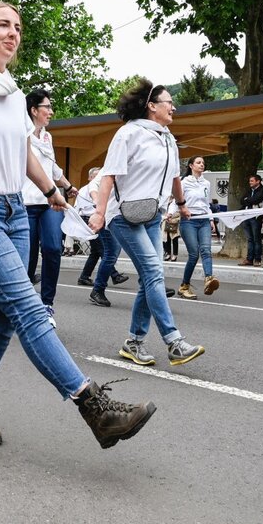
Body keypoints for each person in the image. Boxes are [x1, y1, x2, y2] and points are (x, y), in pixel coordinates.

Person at [0, 0, 155, 449]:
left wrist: (52, 189)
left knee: (1, 320)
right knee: (28, 307)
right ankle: (94, 407)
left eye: (18, 27)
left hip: (14, 211)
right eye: (3, 25)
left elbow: (22, 151)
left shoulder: (13, 92)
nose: (12, 33)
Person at [89, 79, 206, 367]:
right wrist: (99, 212)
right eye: (169, 102)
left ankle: (134, 342)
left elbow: (175, 177)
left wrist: (182, 205)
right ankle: (174, 342)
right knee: (153, 271)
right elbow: (109, 176)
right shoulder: (128, 134)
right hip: (123, 216)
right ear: (152, 106)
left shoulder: (167, 139)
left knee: (150, 276)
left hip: (153, 215)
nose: (173, 107)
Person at [22, 88, 77, 327]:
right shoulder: (20, 134)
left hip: (49, 203)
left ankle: (46, 304)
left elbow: (52, 168)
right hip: (25, 204)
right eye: (47, 107)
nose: (51, 112)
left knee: (53, 249)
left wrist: (68, 186)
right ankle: (24, 304)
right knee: (28, 258)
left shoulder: (47, 137)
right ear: (34, 110)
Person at [75, 167, 130, 304]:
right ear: (89, 177)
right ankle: (106, 282)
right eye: (93, 176)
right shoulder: (86, 189)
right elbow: (82, 207)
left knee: (98, 252)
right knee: (107, 251)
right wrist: (98, 206)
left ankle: (86, 278)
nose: (96, 178)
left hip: (113, 216)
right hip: (95, 219)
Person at [177, 155, 219, 300]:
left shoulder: (206, 183)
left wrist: (211, 219)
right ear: (191, 166)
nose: (202, 165)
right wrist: (170, 213)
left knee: (206, 250)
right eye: (198, 162)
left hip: (204, 219)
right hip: (189, 220)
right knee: (194, 254)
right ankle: (184, 286)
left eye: (203, 163)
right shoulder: (184, 182)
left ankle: (209, 279)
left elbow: (207, 204)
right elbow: (178, 200)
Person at [240, 174, 263, 266]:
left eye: (252, 181)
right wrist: (249, 200)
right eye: (249, 181)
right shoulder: (249, 190)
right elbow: (241, 200)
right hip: (246, 216)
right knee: (249, 239)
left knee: (256, 238)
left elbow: (255, 200)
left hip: (256, 217)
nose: (250, 183)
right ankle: (249, 259)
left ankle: (257, 259)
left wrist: (248, 199)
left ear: (258, 181)